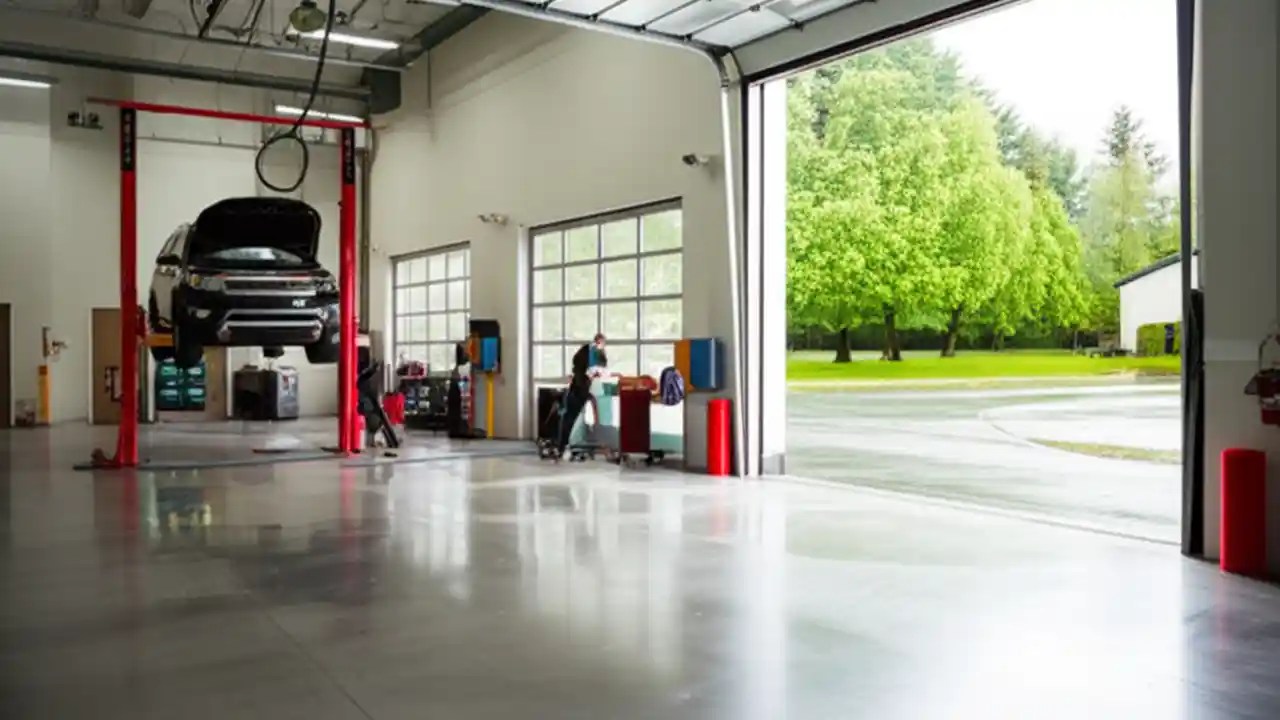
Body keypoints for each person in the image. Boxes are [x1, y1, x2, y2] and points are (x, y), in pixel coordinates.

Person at [557, 333, 608, 456]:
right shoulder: (589, 351)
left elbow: (599, 367)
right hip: (580, 388)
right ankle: (564, 444)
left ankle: (564, 444)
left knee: (572, 417)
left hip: (582, 387)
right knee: (571, 417)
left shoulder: (592, 352)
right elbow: (588, 368)